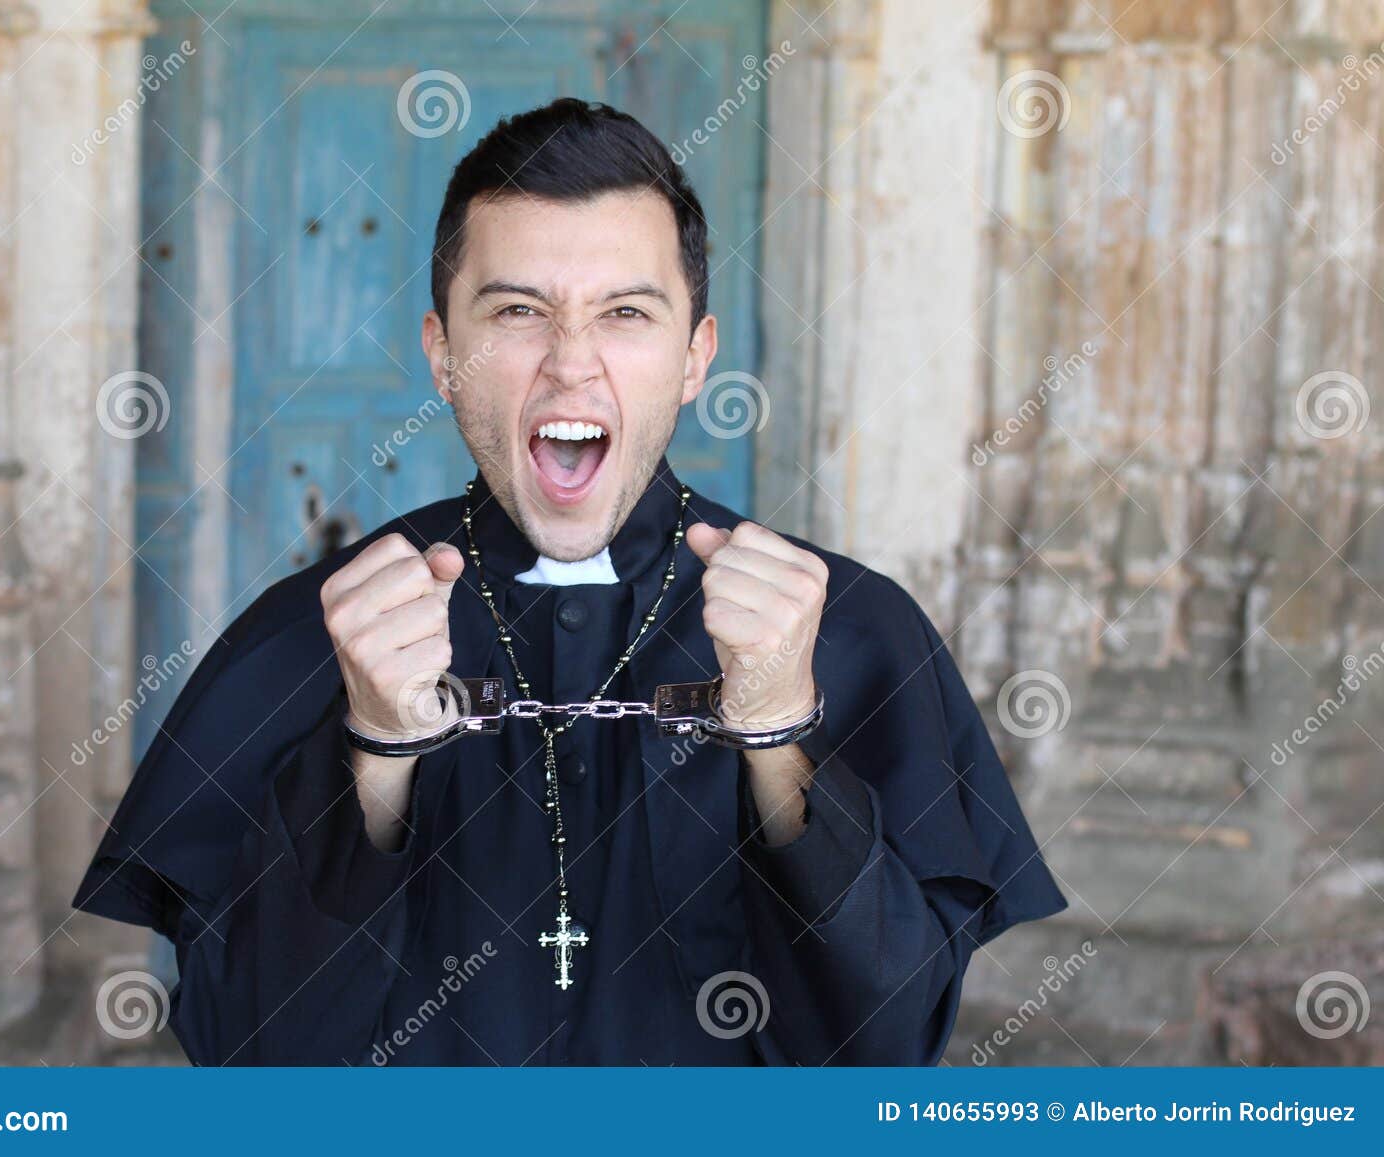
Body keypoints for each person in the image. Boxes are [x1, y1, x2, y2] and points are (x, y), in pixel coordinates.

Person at [71, 97, 1065, 1066]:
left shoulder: (856, 629)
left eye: (625, 312)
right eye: (517, 312)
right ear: (442, 353)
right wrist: (371, 753)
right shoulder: (301, 633)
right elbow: (251, 1055)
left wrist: (780, 736)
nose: (570, 364)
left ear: (693, 356)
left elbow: (884, 1050)